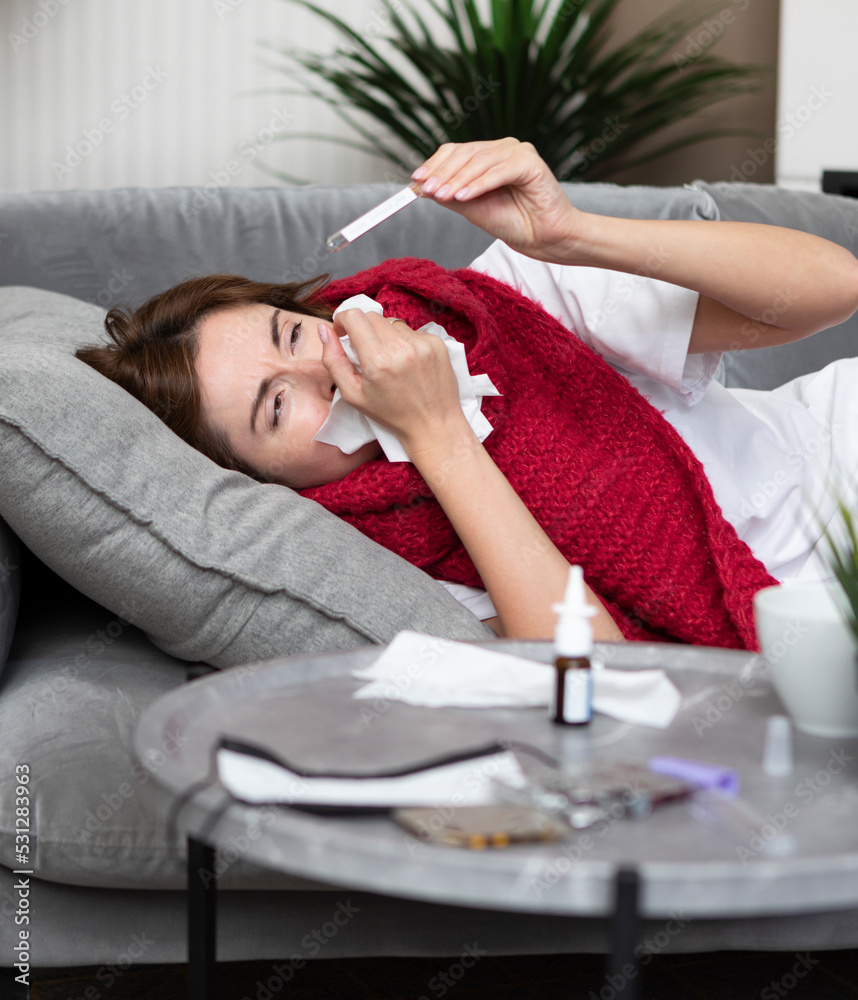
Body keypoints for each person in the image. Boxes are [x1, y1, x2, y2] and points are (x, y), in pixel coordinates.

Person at [75, 139, 858, 647]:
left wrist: (572, 237)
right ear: (266, 481)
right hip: (807, 628)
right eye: (277, 407)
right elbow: (603, 677)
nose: (325, 371)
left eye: (291, 335)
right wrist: (438, 437)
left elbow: (832, 288)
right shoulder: (376, 556)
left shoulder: (503, 297)